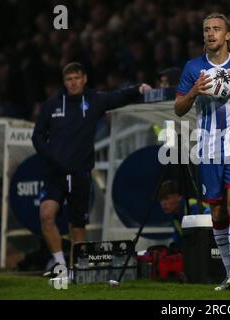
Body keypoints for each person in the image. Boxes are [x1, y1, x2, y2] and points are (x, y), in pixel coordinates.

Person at [32, 62, 151, 278]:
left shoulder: (94, 100)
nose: (73, 82)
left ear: (84, 79)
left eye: (77, 78)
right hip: (55, 173)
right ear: (64, 82)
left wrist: (138, 88)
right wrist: (50, 156)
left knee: (77, 226)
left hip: (80, 173)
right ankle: (59, 263)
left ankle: (74, 270)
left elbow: (118, 96)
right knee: (46, 215)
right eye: (69, 79)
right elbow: (37, 136)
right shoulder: (52, 105)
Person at [174, 13, 230, 290]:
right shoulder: (193, 67)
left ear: (228, 35)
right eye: (206, 30)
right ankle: (229, 273)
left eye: (216, 29)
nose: (211, 33)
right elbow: (178, 109)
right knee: (217, 215)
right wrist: (194, 92)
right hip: (207, 147)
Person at [157, 180, 210, 249]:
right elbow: (179, 242)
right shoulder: (175, 216)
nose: (163, 203)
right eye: (161, 200)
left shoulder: (194, 207)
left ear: (179, 197)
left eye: (166, 198)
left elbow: (199, 239)